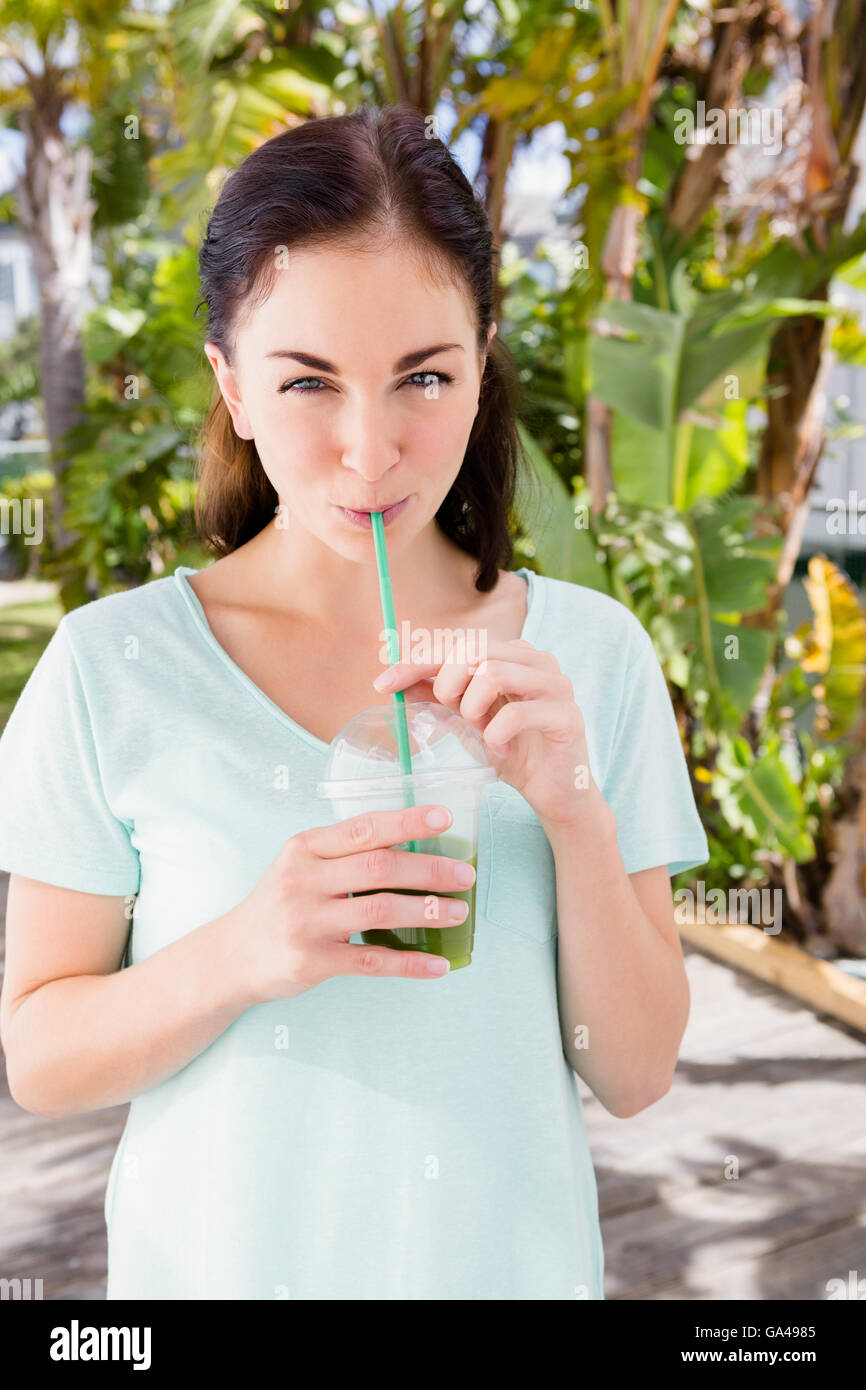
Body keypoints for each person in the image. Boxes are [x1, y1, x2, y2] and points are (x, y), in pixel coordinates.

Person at [0, 103, 708, 1300]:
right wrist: (246, 947)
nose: (368, 450)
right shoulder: (110, 667)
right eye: (308, 382)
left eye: (422, 375)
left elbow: (634, 1074)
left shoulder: (592, 657)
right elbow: (43, 1060)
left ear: (481, 361)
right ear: (230, 382)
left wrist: (572, 810)